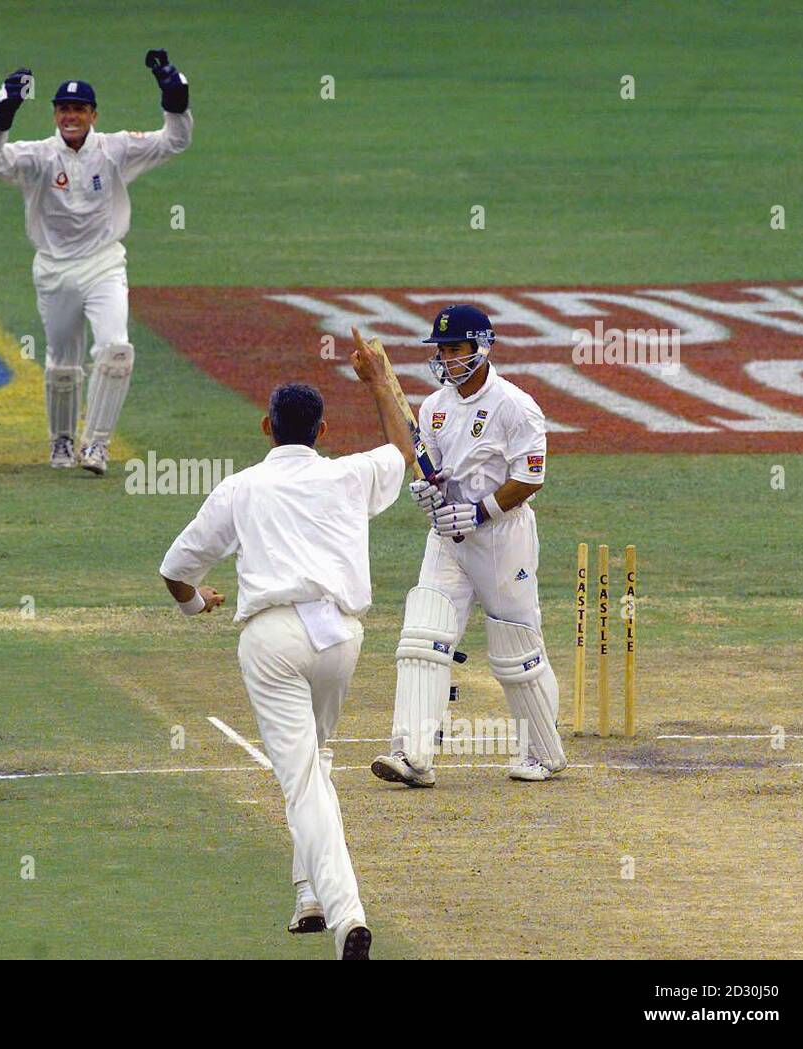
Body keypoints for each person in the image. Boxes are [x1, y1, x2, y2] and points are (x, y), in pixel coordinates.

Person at [158, 333, 416, 960]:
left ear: (266, 426)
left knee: (301, 781)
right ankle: (309, 895)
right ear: (323, 430)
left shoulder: (241, 487)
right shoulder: (352, 474)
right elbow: (406, 453)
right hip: (339, 638)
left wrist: (197, 604)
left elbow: (175, 570)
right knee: (316, 765)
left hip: (272, 639)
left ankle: (348, 917)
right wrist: (380, 380)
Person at [368, 304, 568, 786]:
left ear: (482, 347)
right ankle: (412, 755)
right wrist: (429, 490)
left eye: (454, 348)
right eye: (441, 350)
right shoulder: (435, 406)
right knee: (423, 635)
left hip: (502, 538)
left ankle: (544, 753)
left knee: (516, 646)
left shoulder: (515, 406)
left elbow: (530, 477)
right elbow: (424, 460)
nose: (445, 358)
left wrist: (480, 511)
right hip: (448, 538)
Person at [0, 50, 191, 475]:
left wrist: (175, 97)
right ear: (55, 115)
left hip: (103, 265)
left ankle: (97, 445)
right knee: (62, 364)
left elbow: (175, 141)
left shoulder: (115, 150)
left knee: (116, 352)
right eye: (63, 109)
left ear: (93, 114)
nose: (70, 116)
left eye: (78, 109)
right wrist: (2, 114)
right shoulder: (38, 156)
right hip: (54, 270)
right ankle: (61, 441)